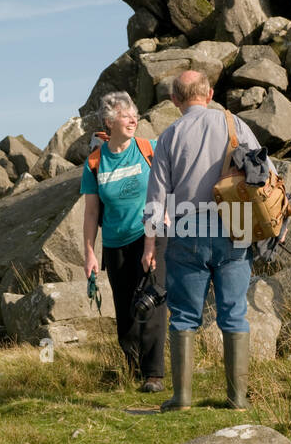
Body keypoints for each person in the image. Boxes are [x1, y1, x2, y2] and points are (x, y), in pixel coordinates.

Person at [141, 69, 260, 412]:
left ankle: (182, 398)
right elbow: (267, 175)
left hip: (186, 232)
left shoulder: (168, 136)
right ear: (209, 95)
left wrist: (150, 246)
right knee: (234, 314)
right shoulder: (236, 125)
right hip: (235, 229)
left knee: (183, 317)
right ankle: (237, 399)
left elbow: (155, 201)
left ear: (175, 100)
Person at [81, 91, 166, 391]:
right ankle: (132, 369)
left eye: (135, 114)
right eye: (125, 115)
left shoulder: (149, 149)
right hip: (115, 244)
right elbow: (91, 213)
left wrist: (167, 213)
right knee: (126, 310)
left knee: (151, 302)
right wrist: (90, 253)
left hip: (150, 236)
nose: (133, 119)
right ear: (109, 121)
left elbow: (172, 182)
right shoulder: (94, 162)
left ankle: (154, 374)